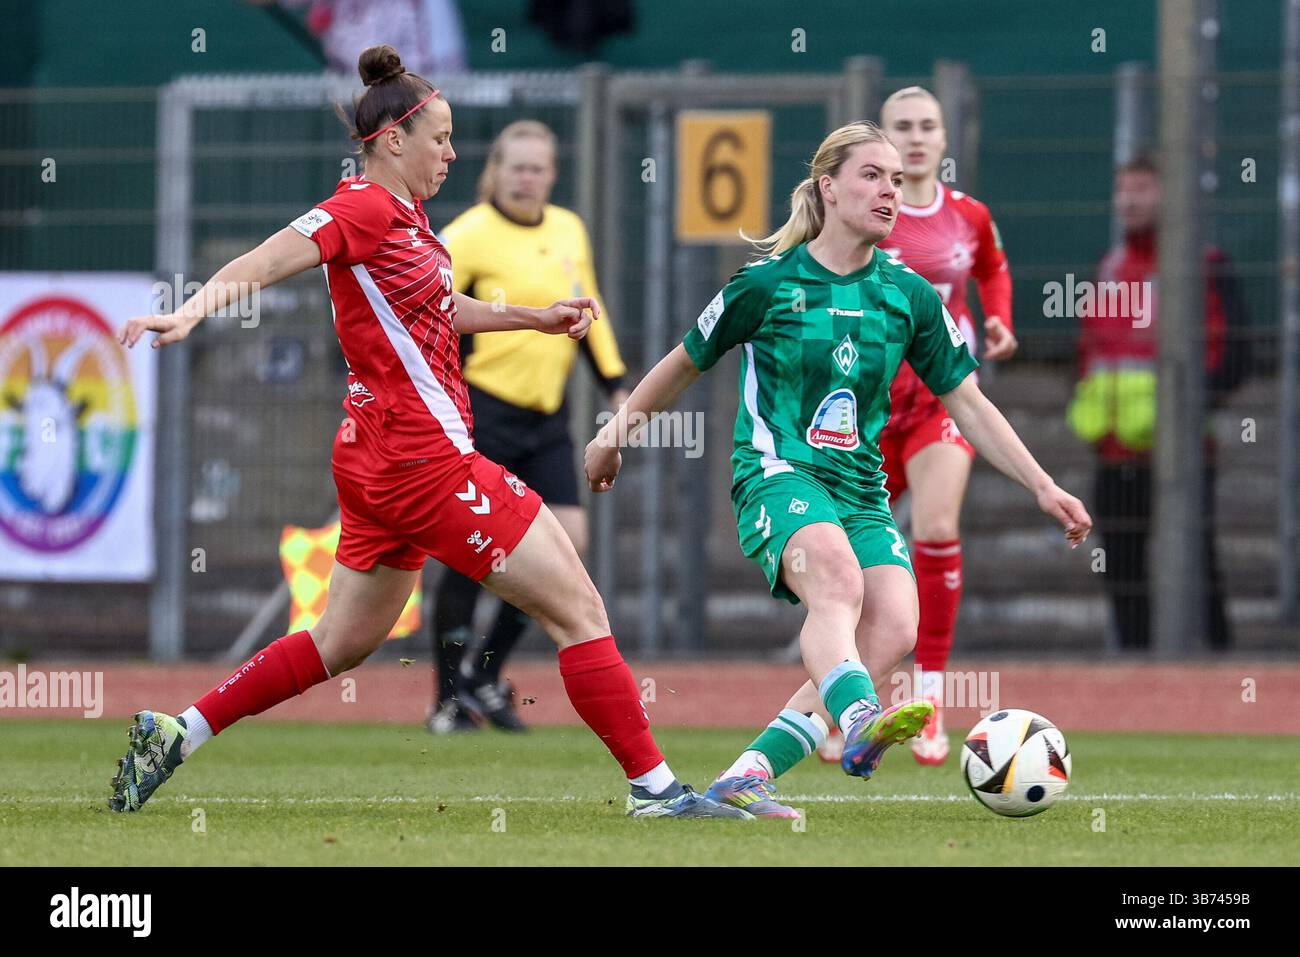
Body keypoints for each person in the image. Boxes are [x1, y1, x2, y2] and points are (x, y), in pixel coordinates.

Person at [108, 44, 745, 820]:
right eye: (440, 138)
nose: (451, 152)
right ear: (392, 141)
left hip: (381, 463)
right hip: (425, 461)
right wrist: (192, 309)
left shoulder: (407, 221)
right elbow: (270, 257)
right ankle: (658, 791)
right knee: (580, 608)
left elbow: (437, 310)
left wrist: (529, 318)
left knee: (341, 642)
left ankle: (178, 731)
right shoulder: (363, 206)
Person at [585, 122, 1092, 818]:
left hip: (860, 491)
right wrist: (614, 435)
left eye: (897, 179)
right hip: (777, 473)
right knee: (838, 580)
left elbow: (967, 403)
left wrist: (1043, 484)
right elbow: (683, 362)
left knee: (894, 630)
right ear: (828, 187)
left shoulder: (910, 296)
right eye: (873, 176)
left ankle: (749, 771)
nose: (892, 190)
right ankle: (858, 722)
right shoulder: (767, 284)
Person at [820, 86, 1017, 766]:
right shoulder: (869, 214)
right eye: (901, 125)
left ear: (944, 137)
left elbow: (993, 263)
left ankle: (930, 702)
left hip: (940, 401)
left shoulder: (967, 215)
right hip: (867, 409)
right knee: (842, 566)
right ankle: (843, 705)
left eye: (927, 125)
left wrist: (999, 318)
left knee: (935, 526)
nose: (916, 135)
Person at [428, 120, 628, 734]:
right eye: (517, 166)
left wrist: (618, 386)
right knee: (472, 556)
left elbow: (588, 307)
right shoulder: (466, 234)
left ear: (553, 173)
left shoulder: (569, 228)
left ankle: (486, 677)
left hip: (549, 418)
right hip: (482, 412)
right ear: (496, 169)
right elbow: (430, 316)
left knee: (566, 546)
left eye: (538, 167)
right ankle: (447, 699)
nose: (527, 177)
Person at [1068, 155, 1249, 651]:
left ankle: (1217, 667)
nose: (1129, 199)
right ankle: (1137, 672)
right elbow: (1089, 350)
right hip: (1114, 449)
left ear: (1171, 195)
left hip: (1183, 452)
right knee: (1121, 564)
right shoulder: (1108, 267)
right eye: (1123, 189)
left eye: (1142, 188)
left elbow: (1238, 351)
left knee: (1195, 561)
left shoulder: (1204, 265)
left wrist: (1190, 411)